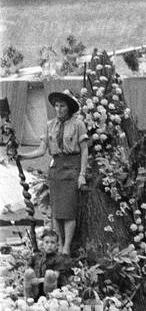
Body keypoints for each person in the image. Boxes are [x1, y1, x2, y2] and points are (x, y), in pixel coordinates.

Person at [17, 92, 89, 255]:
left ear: (69, 108)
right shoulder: (50, 125)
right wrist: (23, 156)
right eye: (56, 106)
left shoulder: (78, 125)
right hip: (56, 170)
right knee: (56, 212)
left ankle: (66, 248)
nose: (58, 109)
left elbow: (84, 151)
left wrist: (82, 174)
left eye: (62, 106)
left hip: (72, 168)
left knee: (69, 211)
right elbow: (42, 150)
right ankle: (59, 245)